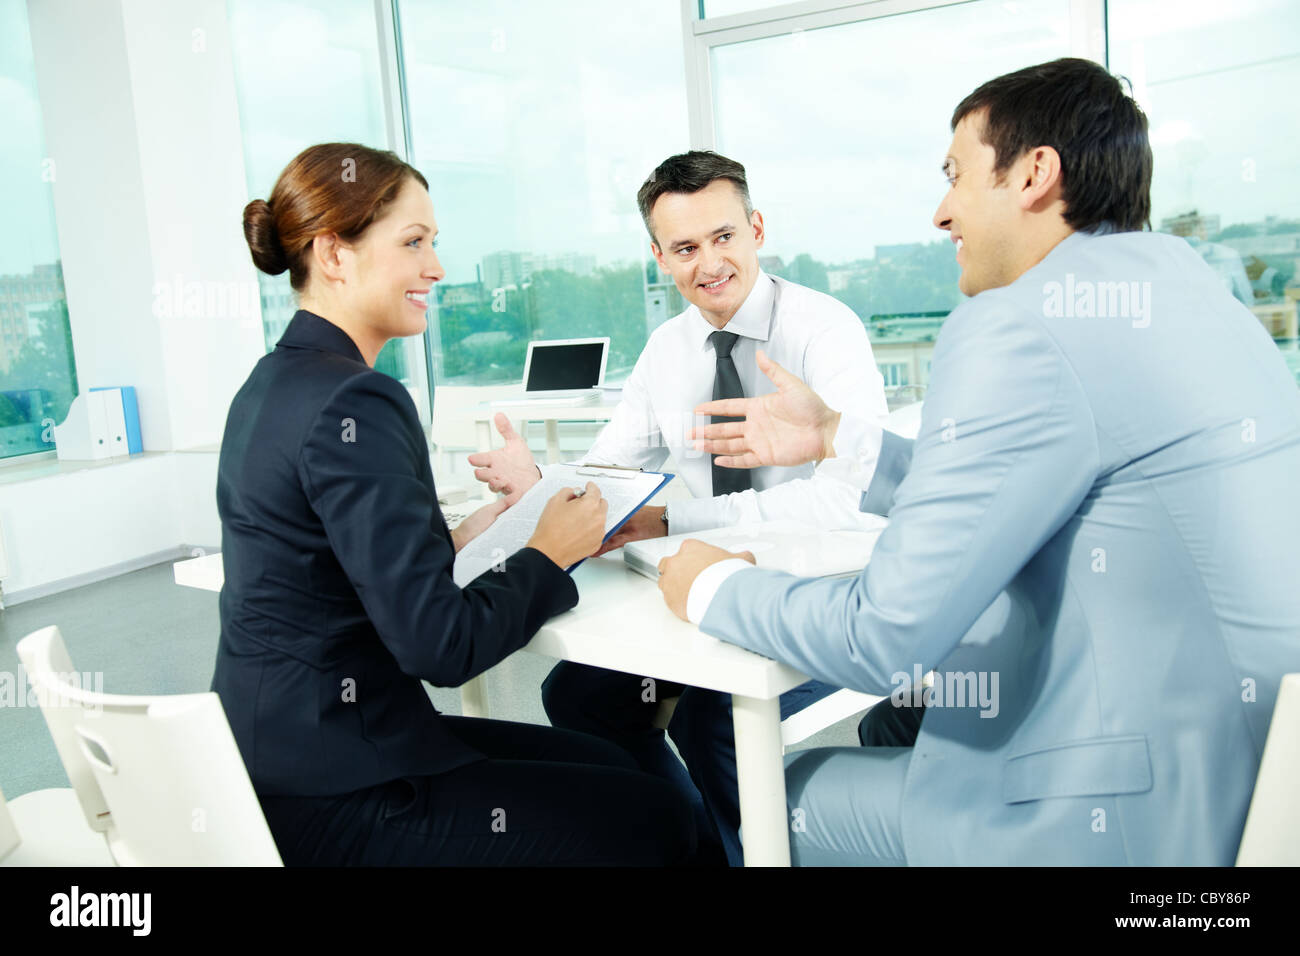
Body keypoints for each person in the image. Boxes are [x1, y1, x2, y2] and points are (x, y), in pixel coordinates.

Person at [660, 58, 1300, 865]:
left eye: (956, 175)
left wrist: (712, 585)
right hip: (1256, 759)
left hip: (1146, 817)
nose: (941, 211)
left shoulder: (1018, 325)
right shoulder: (1191, 288)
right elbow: (1031, 476)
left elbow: (880, 637)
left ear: (1035, 174)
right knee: (900, 720)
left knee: (785, 795)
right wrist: (833, 436)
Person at [211, 142, 699, 866]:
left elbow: (345, 566)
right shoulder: (360, 397)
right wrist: (547, 551)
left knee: (613, 763)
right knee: (661, 820)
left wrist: (482, 527)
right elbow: (441, 647)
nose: (436, 267)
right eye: (413, 243)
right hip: (345, 789)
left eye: (433, 243)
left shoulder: (271, 383)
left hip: (278, 759)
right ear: (333, 253)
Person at [468, 150, 889, 864]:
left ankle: (749, 854)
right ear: (660, 256)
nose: (709, 262)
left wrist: (676, 521)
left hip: (824, 585)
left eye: (724, 237)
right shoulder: (667, 349)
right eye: (686, 248)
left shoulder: (824, 330)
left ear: (756, 228)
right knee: (581, 701)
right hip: (703, 581)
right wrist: (544, 484)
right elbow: (612, 465)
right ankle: (694, 844)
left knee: (713, 717)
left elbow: (851, 499)